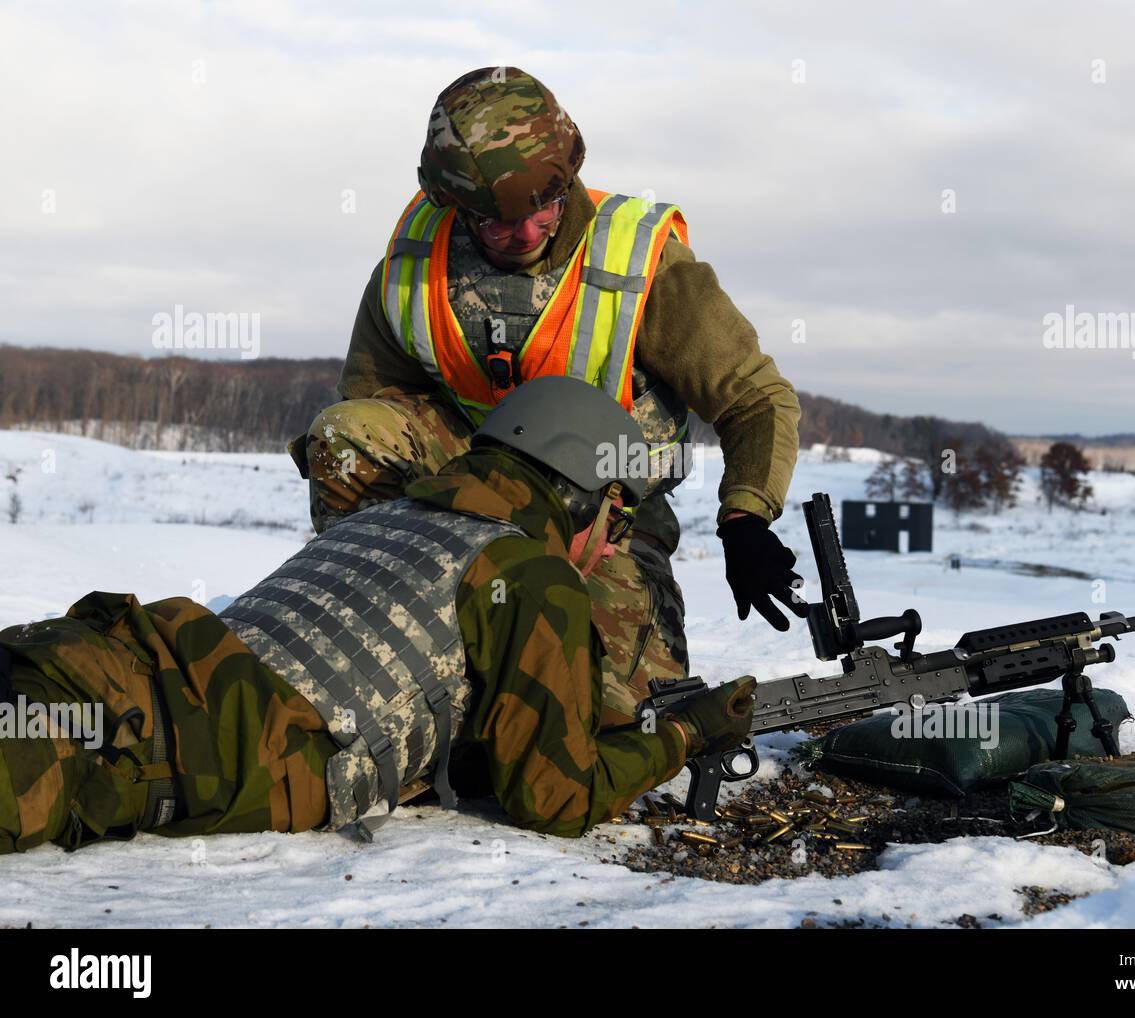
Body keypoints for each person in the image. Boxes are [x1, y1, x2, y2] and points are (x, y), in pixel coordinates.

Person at [0, 378, 755, 853]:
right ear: (583, 493)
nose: (611, 546)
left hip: (101, 657)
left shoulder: (390, 515)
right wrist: (687, 734)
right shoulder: (531, 573)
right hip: (147, 735)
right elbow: (555, 798)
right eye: (617, 519)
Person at [293, 66, 806, 732]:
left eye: (545, 205)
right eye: (496, 222)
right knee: (344, 436)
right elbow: (374, 402)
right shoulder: (416, 261)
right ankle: (393, 619)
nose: (527, 231)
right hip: (467, 501)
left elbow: (757, 400)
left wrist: (746, 520)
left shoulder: (640, 261)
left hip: (602, 521)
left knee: (614, 722)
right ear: (456, 204)